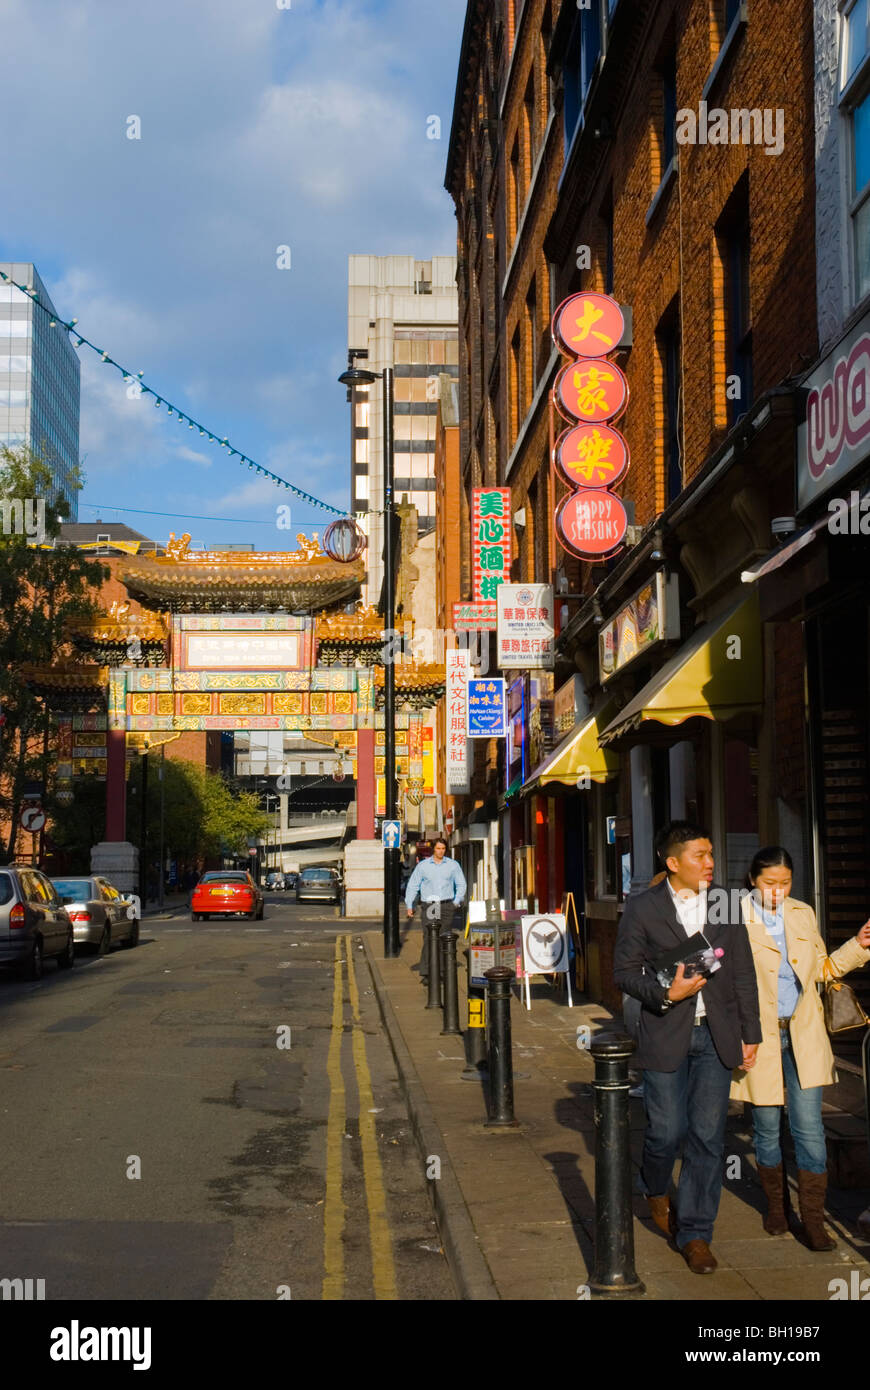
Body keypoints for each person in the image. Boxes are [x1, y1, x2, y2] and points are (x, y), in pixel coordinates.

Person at [613, 820, 762, 1275]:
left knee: (707, 1137)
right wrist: (666, 994)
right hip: (666, 1031)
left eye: (711, 854)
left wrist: (751, 1032)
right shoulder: (643, 907)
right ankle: (655, 1186)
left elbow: (742, 971)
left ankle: (696, 1234)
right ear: (673, 862)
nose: (710, 863)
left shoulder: (726, 903)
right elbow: (625, 972)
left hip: (716, 1035)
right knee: (665, 1132)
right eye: (700, 855)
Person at [732, 846, 870, 1249]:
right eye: (769, 883)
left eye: (785, 882)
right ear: (752, 880)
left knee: (809, 1129)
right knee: (766, 1128)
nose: (778, 891)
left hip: (804, 1033)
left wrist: (858, 944)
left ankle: (813, 1220)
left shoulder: (802, 913)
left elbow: (823, 969)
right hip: (758, 1036)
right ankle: (777, 1209)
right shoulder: (733, 916)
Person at [404, 836, 466, 981]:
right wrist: (409, 905)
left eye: (443, 849)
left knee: (444, 938)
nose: (441, 851)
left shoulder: (453, 865)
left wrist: (456, 902)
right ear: (433, 849)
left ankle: (443, 971)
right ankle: (427, 973)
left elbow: (461, 884)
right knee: (430, 938)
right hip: (431, 905)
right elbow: (413, 885)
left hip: (446, 905)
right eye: (438, 848)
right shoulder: (423, 866)